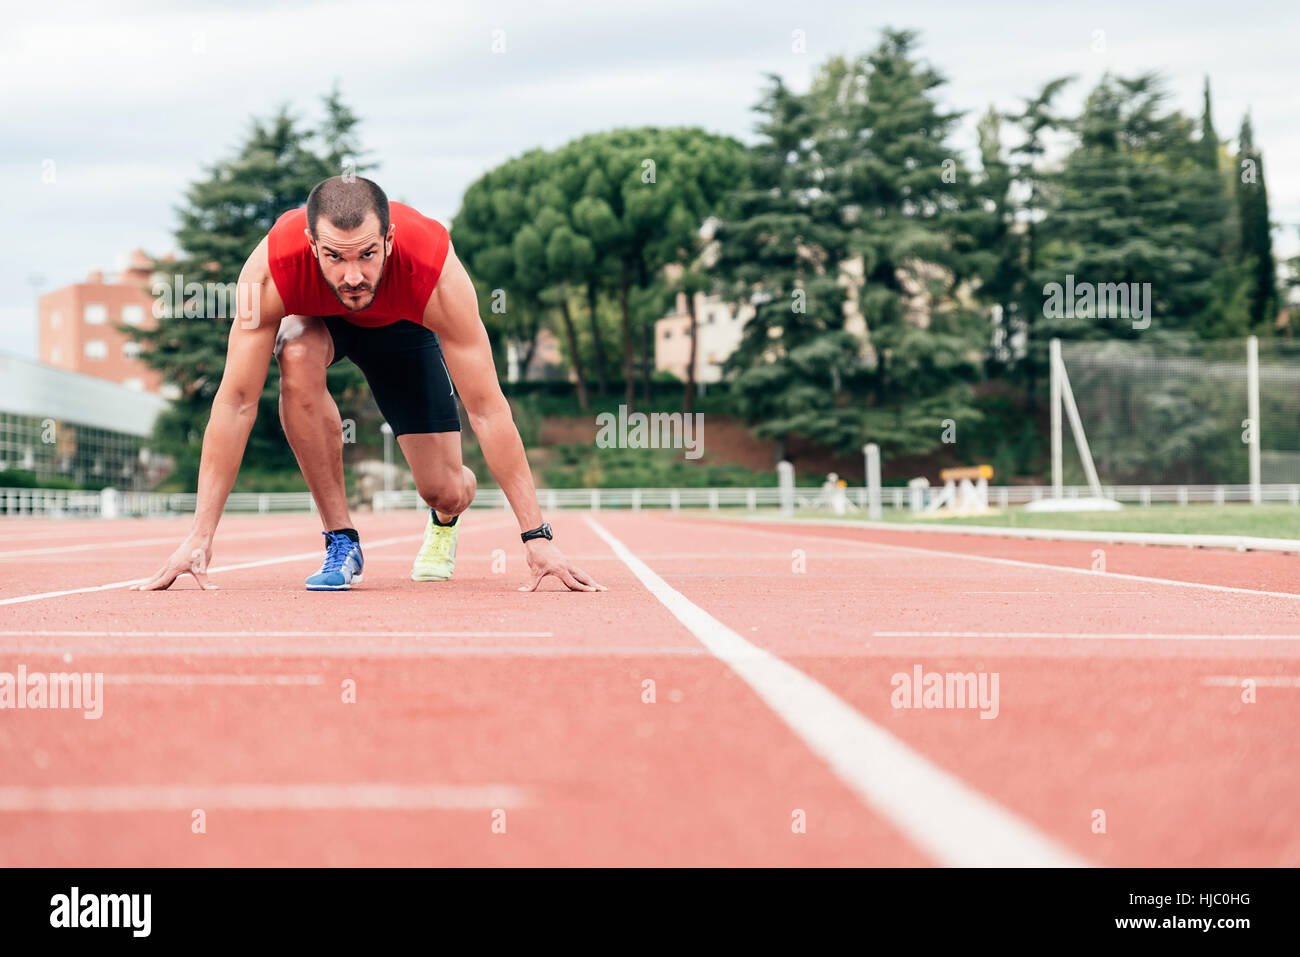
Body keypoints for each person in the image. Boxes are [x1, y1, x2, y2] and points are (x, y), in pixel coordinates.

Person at [133, 176, 605, 594]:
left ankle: (445, 518)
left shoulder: (434, 270)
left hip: (405, 328)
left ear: (390, 240)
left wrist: (535, 537)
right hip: (319, 320)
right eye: (335, 257)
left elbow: (486, 408)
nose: (353, 275)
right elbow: (236, 403)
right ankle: (341, 540)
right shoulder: (269, 274)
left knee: (443, 489)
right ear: (311, 245)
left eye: (367, 254)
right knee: (294, 351)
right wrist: (199, 536)